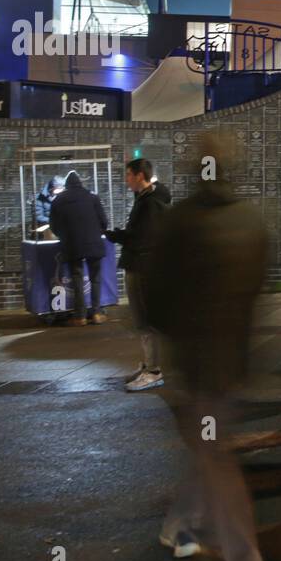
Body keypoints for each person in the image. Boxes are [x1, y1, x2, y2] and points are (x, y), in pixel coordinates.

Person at [145, 134, 272, 561]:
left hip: (197, 362)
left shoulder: (182, 222)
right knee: (208, 447)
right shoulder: (251, 220)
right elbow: (261, 287)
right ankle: (179, 526)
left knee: (215, 458)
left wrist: (172, 331)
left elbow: (155, 296)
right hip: (234, 358)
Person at [104, 159, 173, 392]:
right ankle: (148, 365)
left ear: (140, 175)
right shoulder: (149, 198)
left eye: (129, 175)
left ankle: (153, 371)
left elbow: (142, 237)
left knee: (144, 319)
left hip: (142, 266)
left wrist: (117, 236)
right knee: (143, 318)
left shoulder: (150, 203)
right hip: (142, 264)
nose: (126, 180)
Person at [47, 170, 109, 326]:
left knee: (77, 279)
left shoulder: (58, 200)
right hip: (94, 243)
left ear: (66, 185)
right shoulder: (92, 197)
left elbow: (53, 226)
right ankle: (96, 313)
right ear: (81, 183)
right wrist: (96, 233)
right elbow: (104, 221)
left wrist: (65, 236)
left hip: (73, 245)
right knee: (95, 278)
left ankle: (80, 316)